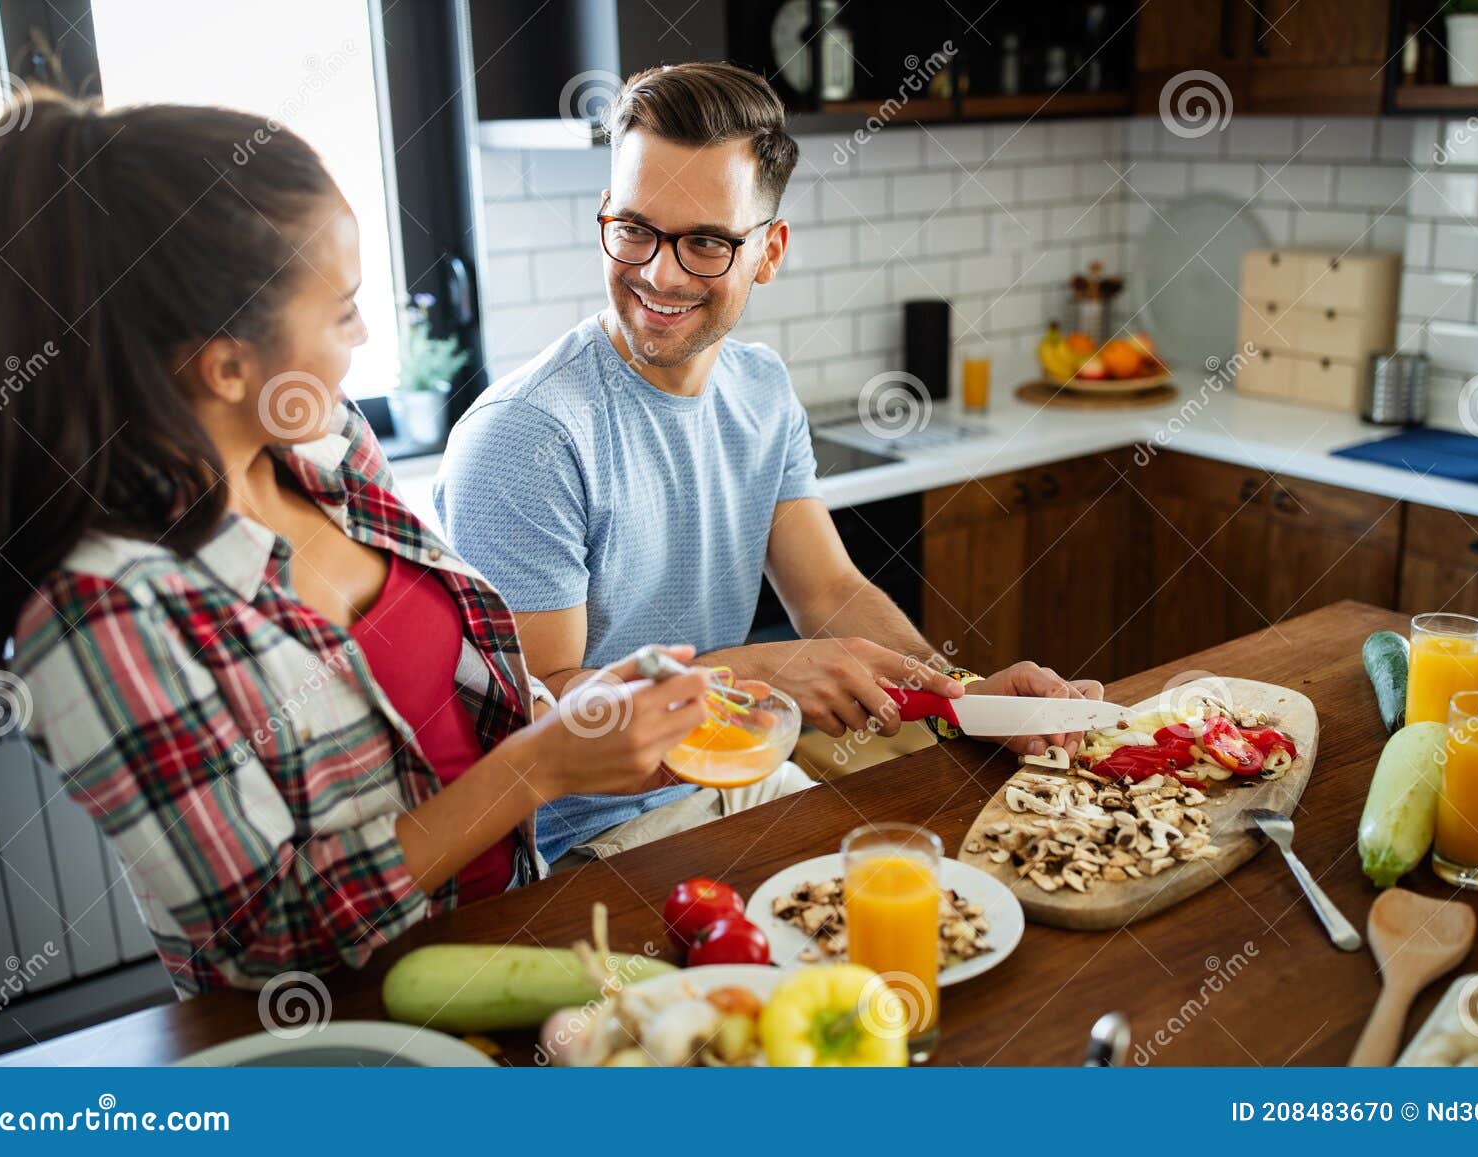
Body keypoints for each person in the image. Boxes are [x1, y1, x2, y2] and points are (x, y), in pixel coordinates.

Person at [0, 91, 715, 994]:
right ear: (227, 363)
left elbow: (446, 706)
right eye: (342, 310)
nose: (361, 335)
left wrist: (573, 723)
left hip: (515, 941)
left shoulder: (324, 441)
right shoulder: (99, 615)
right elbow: (267, 931)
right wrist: (539, 768)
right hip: (337, 1031)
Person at [436, 62, 1103, 869]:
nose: (660, 272)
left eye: (707, 242)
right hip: (578, 848)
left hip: (729, 780)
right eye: (636, 229)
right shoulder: (527, 438)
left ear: (769, 251)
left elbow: (827, 591)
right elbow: (542, 717)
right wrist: (756, 671)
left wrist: (963, 697)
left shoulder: (760, 387)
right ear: (605, 216)